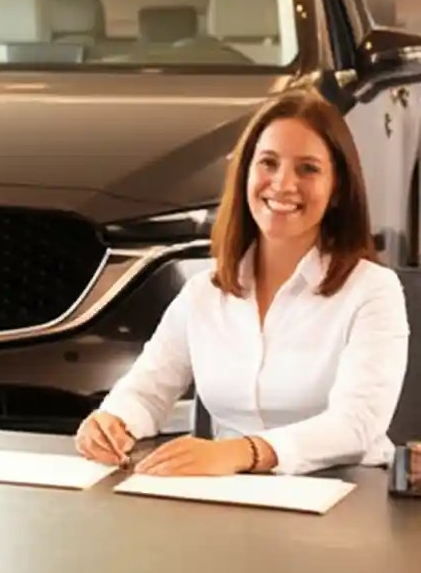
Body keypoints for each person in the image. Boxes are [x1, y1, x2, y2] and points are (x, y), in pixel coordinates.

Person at [76, 89, 409, 477]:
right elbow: (146, 392)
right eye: (268, 163)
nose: (283, 184)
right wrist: (112, 422)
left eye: (308, 169)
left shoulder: (373, 290)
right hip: (233, 498)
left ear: (337, 191)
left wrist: (245, 451)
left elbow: (357, 425)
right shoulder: (204, 292)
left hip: (348, 499)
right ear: (246, 175)